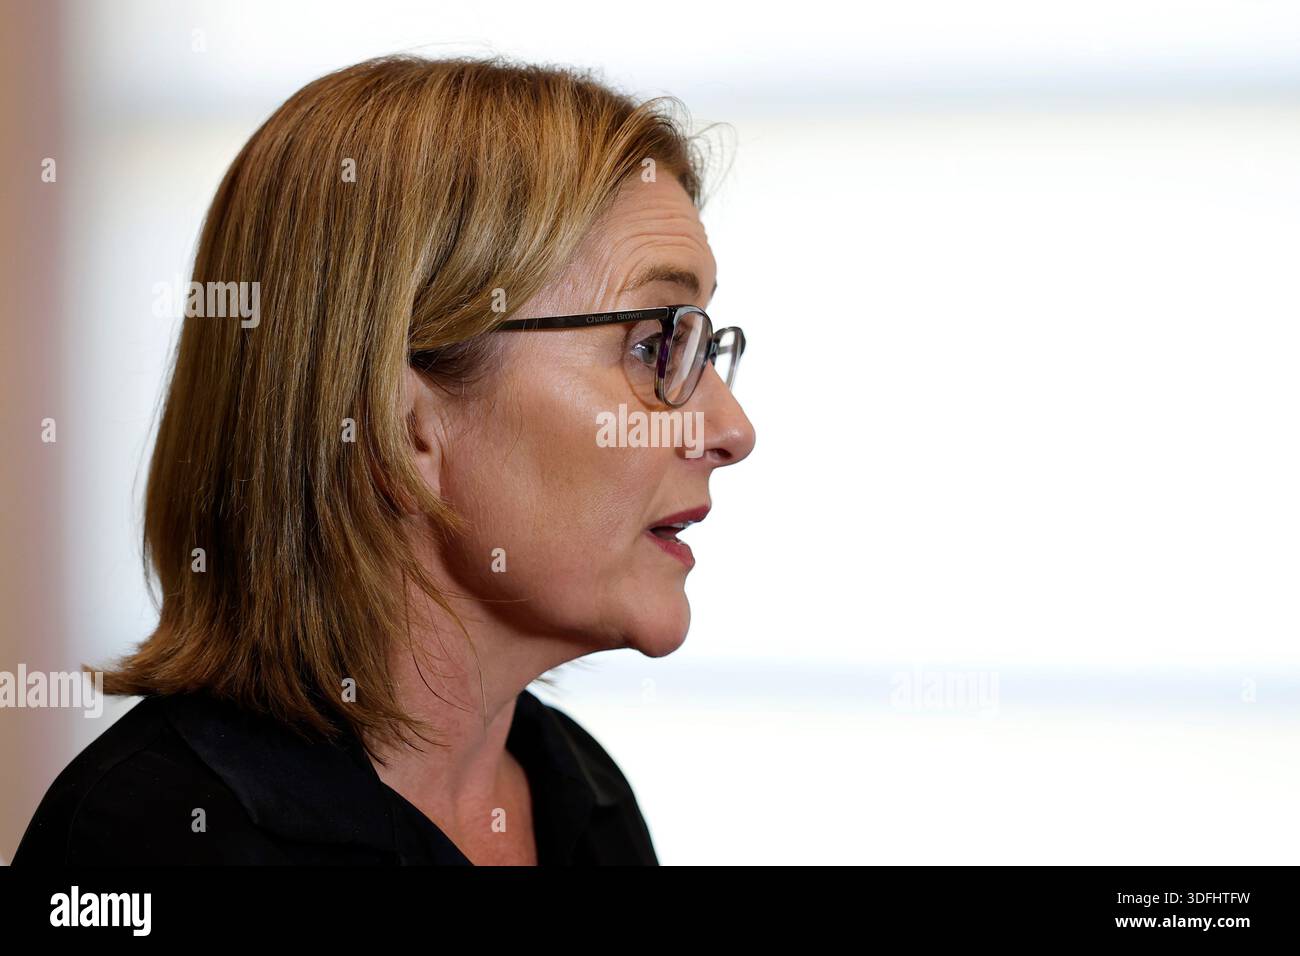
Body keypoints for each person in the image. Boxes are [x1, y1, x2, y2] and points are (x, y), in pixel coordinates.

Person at [12, 53, 755, 866]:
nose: (730, 428)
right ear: (401, 423)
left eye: (704, 346)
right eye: (655, 346)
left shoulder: (580, 793)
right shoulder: (148, 846)